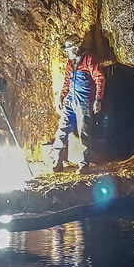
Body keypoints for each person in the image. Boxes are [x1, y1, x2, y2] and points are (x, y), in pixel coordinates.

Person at [50, 34, 105, 173]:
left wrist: (98, 100)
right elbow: (67, 82)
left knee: (83, 132)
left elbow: (100, 78)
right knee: (62, 129)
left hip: (84, 101)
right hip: (71, 99)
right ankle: (58, 160)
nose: (66, 52)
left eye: (68, 50)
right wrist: (62, 97)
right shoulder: (70, 63)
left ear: (75, 48)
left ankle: (83, 164)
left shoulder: (89, 59)